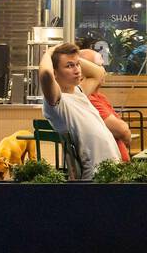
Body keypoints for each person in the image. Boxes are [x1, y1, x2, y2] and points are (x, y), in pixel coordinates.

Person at [38, 41, 121, 178]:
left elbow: (98, 73)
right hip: (95, 177)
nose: (77, 70)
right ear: (55, 73)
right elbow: (46, 73)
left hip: (110, 174)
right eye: (69, 66)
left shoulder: (79, 92)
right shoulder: (58, 102)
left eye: (77, 65)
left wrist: (72, 57)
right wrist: (50, 52)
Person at [78, 47, 133, 160]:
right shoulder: (88, 100)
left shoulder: (100, 97)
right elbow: (123, 131)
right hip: (111, 172)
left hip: (118, 167)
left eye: (102, 66)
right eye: (98, 66)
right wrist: (124, 132)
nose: (103, 71)